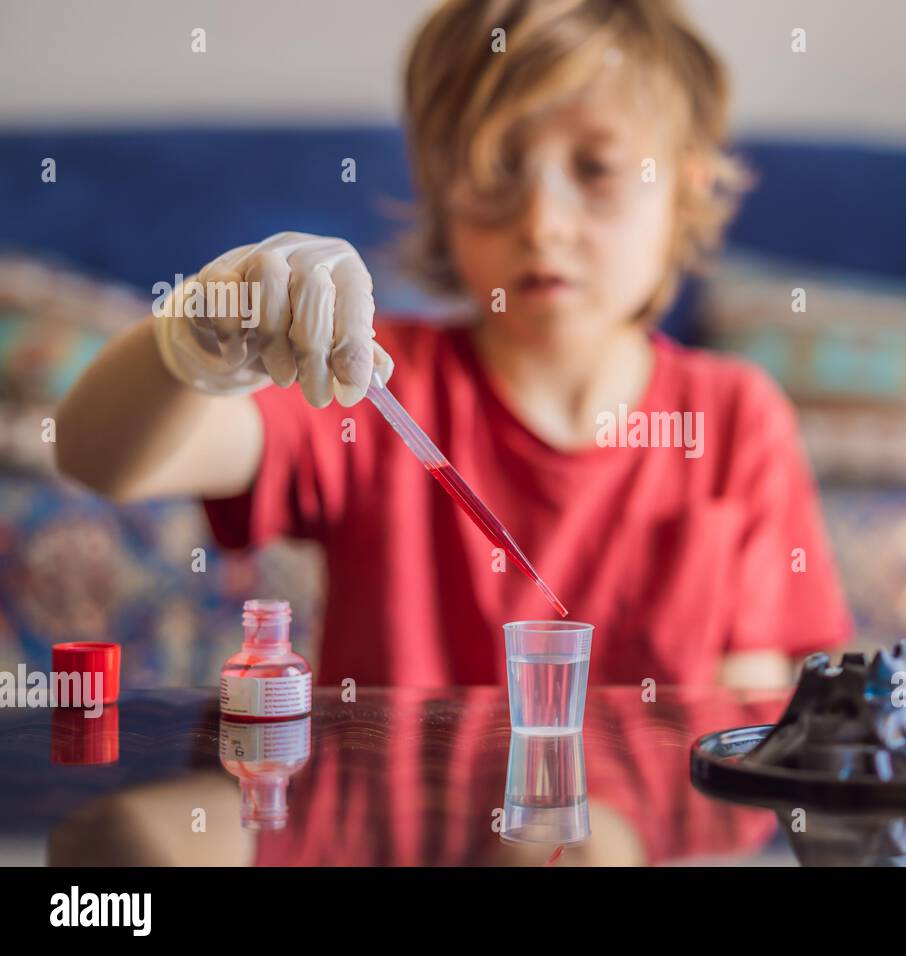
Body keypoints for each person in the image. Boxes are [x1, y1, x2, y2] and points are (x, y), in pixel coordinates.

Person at [56, 0, 851, 689]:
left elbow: (751, 724)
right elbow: (101, 458)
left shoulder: (737, 419)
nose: (542, 224)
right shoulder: (367, 379)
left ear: (688, 188)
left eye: (598, 168)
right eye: (493, 171)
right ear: (440, 197)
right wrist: (193, 335)